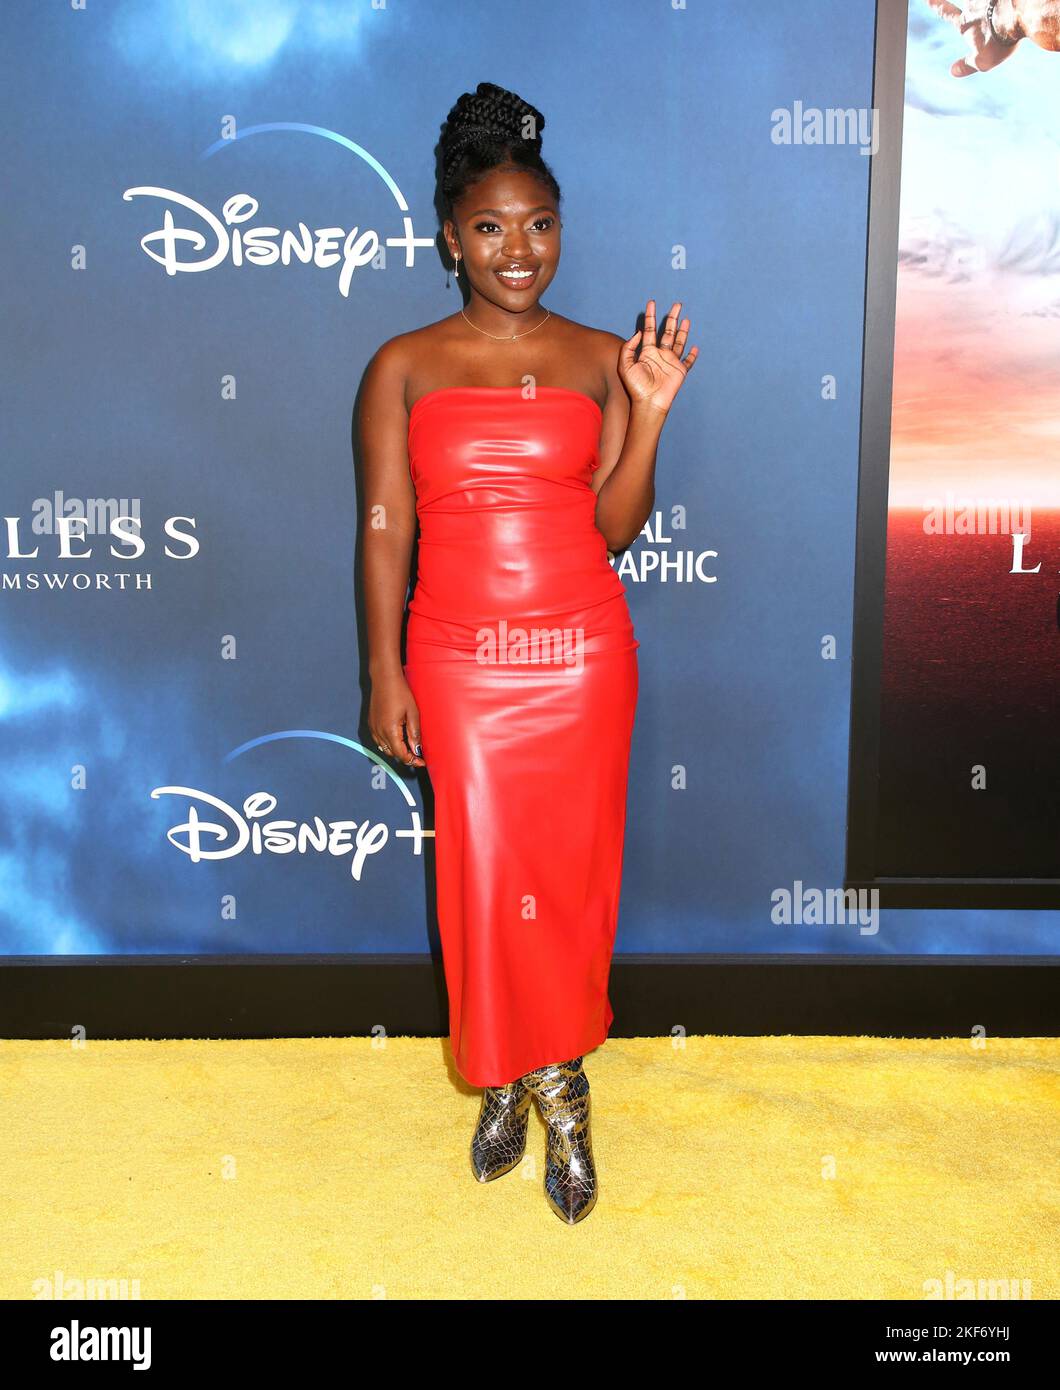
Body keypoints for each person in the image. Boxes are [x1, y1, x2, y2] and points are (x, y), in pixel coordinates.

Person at [358, 81, 695, 1224]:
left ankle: (534, 1075)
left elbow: (610, 527)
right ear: (448, 234)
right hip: (457, 659)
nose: (518, 249)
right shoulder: (401, 364)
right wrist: (383, 671)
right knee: (486, 878)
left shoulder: (609, 354)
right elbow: (385, 528)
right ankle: (532, 1074)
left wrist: (646, 415)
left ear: (562, 230)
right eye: (491, 226)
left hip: (580, 655)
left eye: (539, 224)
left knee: (572, 880)